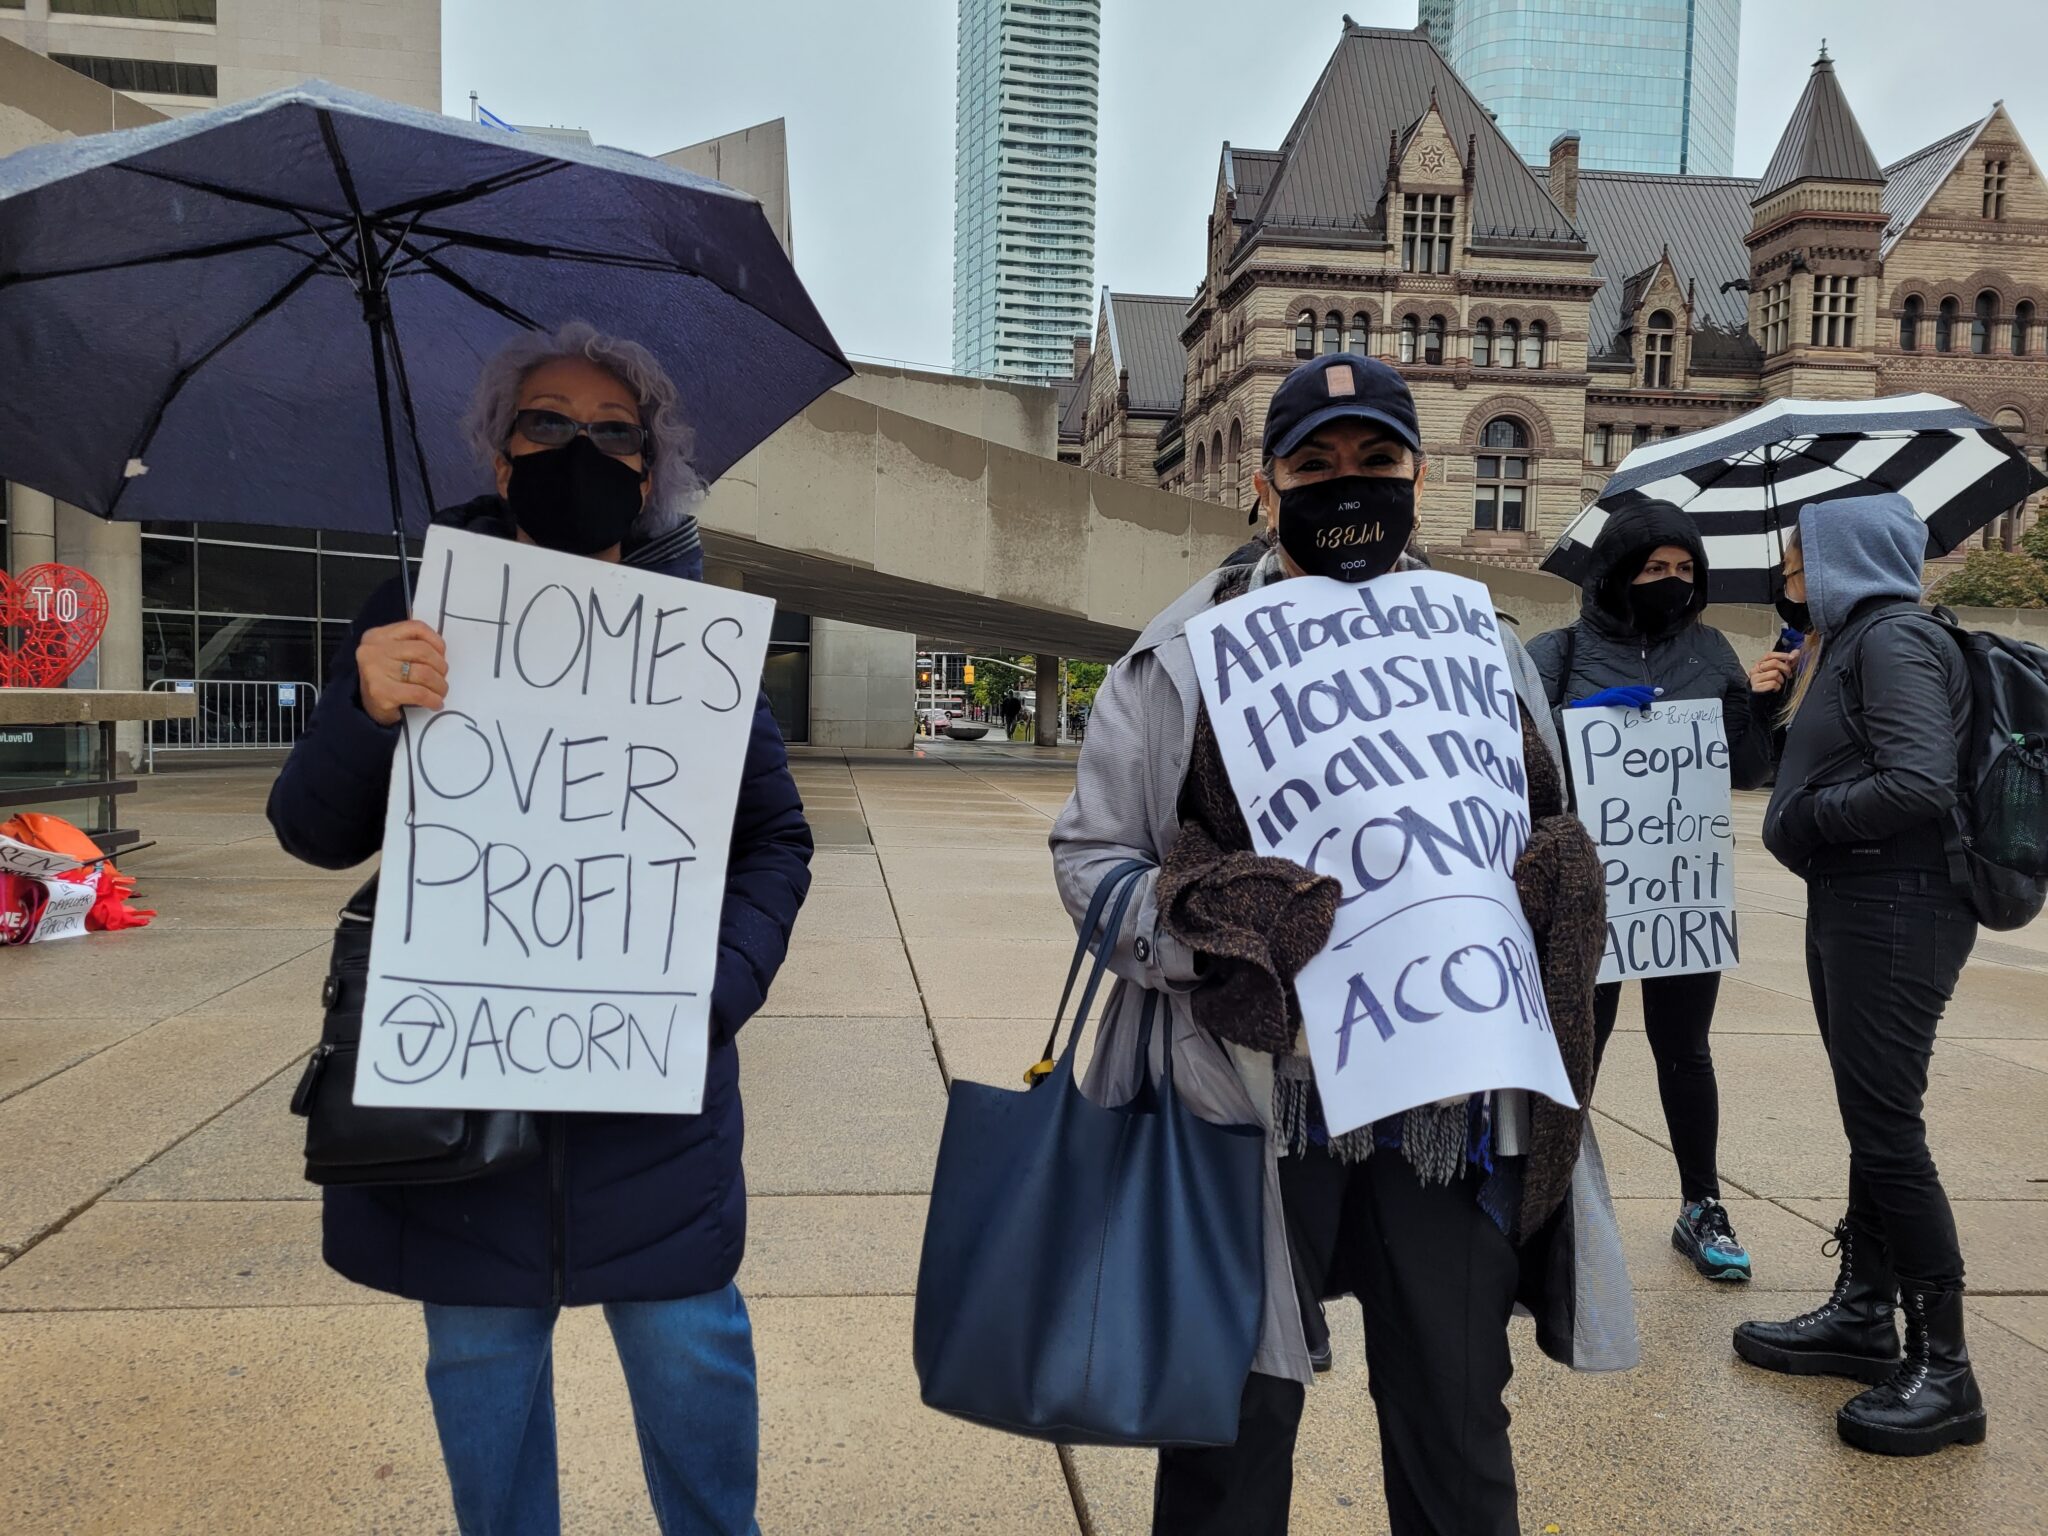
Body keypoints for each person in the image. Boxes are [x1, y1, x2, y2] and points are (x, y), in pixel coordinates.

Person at [1051, 352, 1623, 1536]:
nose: (1345, 484)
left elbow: (1543, 825)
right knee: (1226, 1430)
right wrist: (1214, 931)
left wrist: (1552, 882)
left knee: (1455, 1426)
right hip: (1248, 1107)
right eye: (1313, 463)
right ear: (1262, 486)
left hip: (1441, 1113)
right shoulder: (1176, 660)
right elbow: (1091, 861)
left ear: (1418, 477)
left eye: (1375, 459)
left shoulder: (1485, 648)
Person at [268, 322, 814, 1534]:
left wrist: (713, 991)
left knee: (693, 1361)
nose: (579, 449)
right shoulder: (413, 613)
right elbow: (310, 831)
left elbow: (774, 841)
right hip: (456, 1107)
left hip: (650, 1100)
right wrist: (366, 708)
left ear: (649, 466)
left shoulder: (691, 636)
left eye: (613, 432)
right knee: (481, 1375)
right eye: (547, 423)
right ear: (498, 452)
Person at [1736, 493, 1987, 1456]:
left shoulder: (1891, 639)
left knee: (1888, 1128)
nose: (1786, 573)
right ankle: (1863, 1313)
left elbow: (1919, 780)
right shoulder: (1846, 644)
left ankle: (1946, 1369)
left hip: (1897, 905)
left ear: (1844, 557)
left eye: (1796, 557)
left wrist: (1806, 818)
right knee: (1870, 1116)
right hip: (1863, 899)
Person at [1526, 501, 1782, 1283]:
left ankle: (1702, 1204)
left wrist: (1759, 704)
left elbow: (1748, 768)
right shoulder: (1559, 652)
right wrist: (1575, 719)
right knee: (1578, 1052)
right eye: (1653, 568)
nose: (1672, 581)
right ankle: (1548, 1204)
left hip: (1679, 894)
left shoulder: (1712, 651)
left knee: (1686, 1050)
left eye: (1685, 569)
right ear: (1614, 573)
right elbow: (1512, 758)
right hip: (1585, 895)